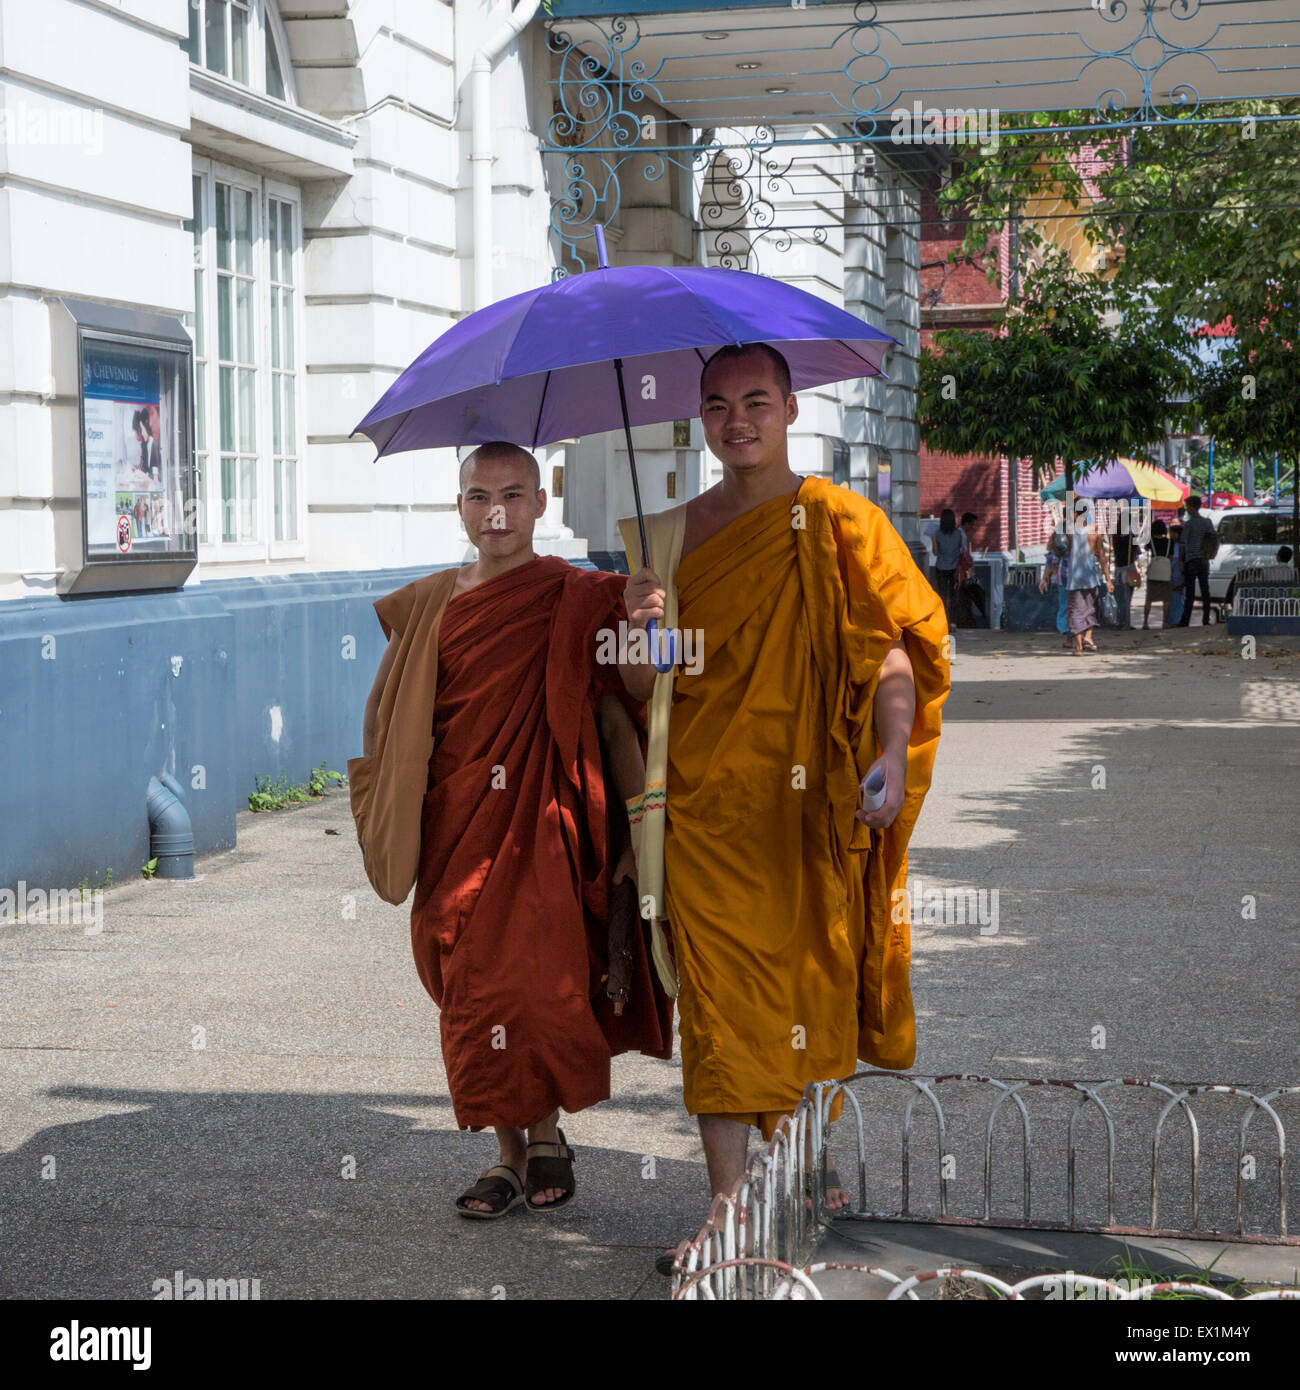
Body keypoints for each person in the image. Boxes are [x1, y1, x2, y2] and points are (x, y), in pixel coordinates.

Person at [616, 343, 949, 1273]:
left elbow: (892, 654)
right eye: (718, 406)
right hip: (707, 810)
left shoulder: (842, 524)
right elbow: (642, 682)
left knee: (810, 986)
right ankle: (727, 1209)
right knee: (720, 1006)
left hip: (811, 813)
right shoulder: (664, 537)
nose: (738, 422)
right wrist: (640, 626)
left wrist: (889, 751)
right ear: (701, 419)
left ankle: (804, 1166)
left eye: (756, 402)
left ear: (791, 408)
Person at [349, 441, 673, 1220]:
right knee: (466, 981)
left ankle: (543, 1136)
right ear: (460, 506)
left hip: (544, 823)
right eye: (478, 495)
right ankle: (505, 1147)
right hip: (456, 822)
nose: (496, 511)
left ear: (540, 502)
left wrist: (643, 625)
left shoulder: (581, 593)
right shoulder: (431, 604)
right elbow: (391, 720)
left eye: (513, 494)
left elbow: (632, 694)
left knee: (534, 976)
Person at [1064, 513, 1111, 655]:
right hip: (1090, 577)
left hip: (1075, 579)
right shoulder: (1095, 532)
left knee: (1075, 611)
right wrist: (1108, 579)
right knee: (1090, 608)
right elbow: (1102, 557)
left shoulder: (1070, 531)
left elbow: (1061, 548)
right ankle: (1088, 637)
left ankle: (1079, 648)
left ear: (1077, 514)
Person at [1176, 495, 1217, 627]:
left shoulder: (1189, 524)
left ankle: (1185, 620)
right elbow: (1213, 538)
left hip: (1191, 560)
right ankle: (1206, 619)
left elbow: (1183, 543)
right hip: (1204, 560)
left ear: (1192, 508)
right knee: (1205, 590)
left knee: (1190, 593)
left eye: (1187, 507)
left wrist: (1181, 560)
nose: (1187, 510)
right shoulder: (1207, 522)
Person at [929, 508, 966, 621]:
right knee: (954, 595)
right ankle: (953, 622)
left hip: (940, 568)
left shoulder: (936, 534)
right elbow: (961, 551)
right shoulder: (959, 534)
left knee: (942, 596)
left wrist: (933, 541)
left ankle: (943, 620)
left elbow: (935, 553)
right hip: (954, 569)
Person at [1039, 527, 1071, 646]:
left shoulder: (1061, 532)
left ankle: (1070, 639)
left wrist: (1044, 579)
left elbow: (1052, 558)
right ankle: (1081, 638)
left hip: (1064, 578)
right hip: (1080, 578)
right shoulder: (1085, 532)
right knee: (1079, 607)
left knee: (1065, 607)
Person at [1143, 518, 1175, 629]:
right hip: (1165, 573)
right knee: (1166, 599)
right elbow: (1171, 557)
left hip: (1153, 573)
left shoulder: (1150, 541)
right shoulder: (1170, 542)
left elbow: (1146, 551)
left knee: (1149, 599)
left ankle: (1145, 623)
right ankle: (1164, 622)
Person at [1111, 526, 1137, 630]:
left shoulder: (1115, 536)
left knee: (1119, 598)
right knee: (1128, 598)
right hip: (1130, 568)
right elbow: (1136, 553)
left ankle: (1120, 621)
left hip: (1118, 569)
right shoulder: (1132, 537)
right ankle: (1127, 622)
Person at [1167, 523, 1187, 626]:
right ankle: (1174, 621)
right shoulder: (1174, 546)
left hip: (1178, 575)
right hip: (1175, 575)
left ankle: (1176, 621)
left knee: (1178, 599)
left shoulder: (1180, 546)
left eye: (1172, 533)